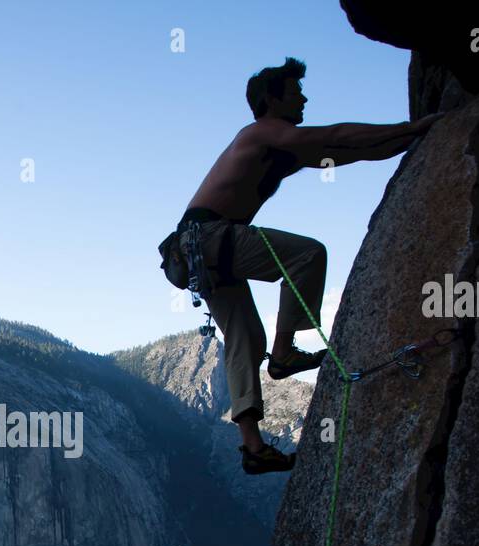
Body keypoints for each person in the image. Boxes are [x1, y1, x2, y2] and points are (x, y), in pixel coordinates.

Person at [180, 56, 443, 474]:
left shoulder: (280, 147)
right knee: (308, 254)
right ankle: (283, 354)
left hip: (195, 252)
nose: (304, 97)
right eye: (295, 91)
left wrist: (407, 139)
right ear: (271, 98)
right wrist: (412, 128)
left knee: (244, 336)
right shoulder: (264, 132)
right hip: (212, 237)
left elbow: (346, 151)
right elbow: (337, 134)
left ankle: (252, 446)